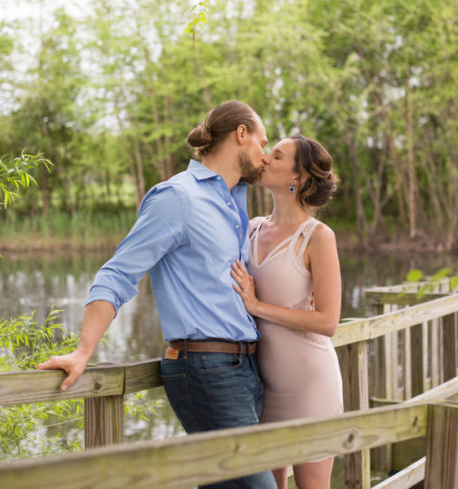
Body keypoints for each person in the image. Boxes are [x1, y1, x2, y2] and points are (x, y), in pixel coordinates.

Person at [37, 100, 277, 489]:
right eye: (263, 142)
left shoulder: (233, 202)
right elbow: (118, 273)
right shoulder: (177, 198)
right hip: (206, 367)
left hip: (245, 368)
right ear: (241, 134)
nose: (265, 154)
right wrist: (83, 351)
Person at [230, 135, 343, 489]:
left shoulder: (318, 236)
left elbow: (328, 321)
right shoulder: (249, 229)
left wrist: (257, 306)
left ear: (300, 178)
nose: (264, 158)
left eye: (277, 156)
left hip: (310, 384)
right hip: (261, 387)